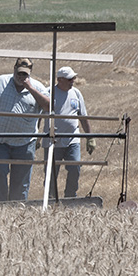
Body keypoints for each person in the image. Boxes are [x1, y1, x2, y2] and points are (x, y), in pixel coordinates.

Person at [0, 57, 51, 202]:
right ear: (14, 69)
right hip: (0, 142)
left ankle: (16, 213)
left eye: (25, 74)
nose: (21, 77)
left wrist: (30, 89)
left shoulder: (38, 88)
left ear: (30, 74)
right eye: (19, 73)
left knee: (21, 184)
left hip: (25, 143)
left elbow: (49, 107)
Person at [44, 66, 93, 200]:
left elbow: (83, 117)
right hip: (53, 140)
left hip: (73, 139)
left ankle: (71, 197)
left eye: (73, 78)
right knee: (52, 172)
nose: (73, 81)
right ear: (59, 80)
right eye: (69, 79)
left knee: (75, 168)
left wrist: (90, 138)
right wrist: (37, 138)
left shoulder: (76, 93)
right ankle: (51, 198)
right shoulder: (49, 93)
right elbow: (39, 116)